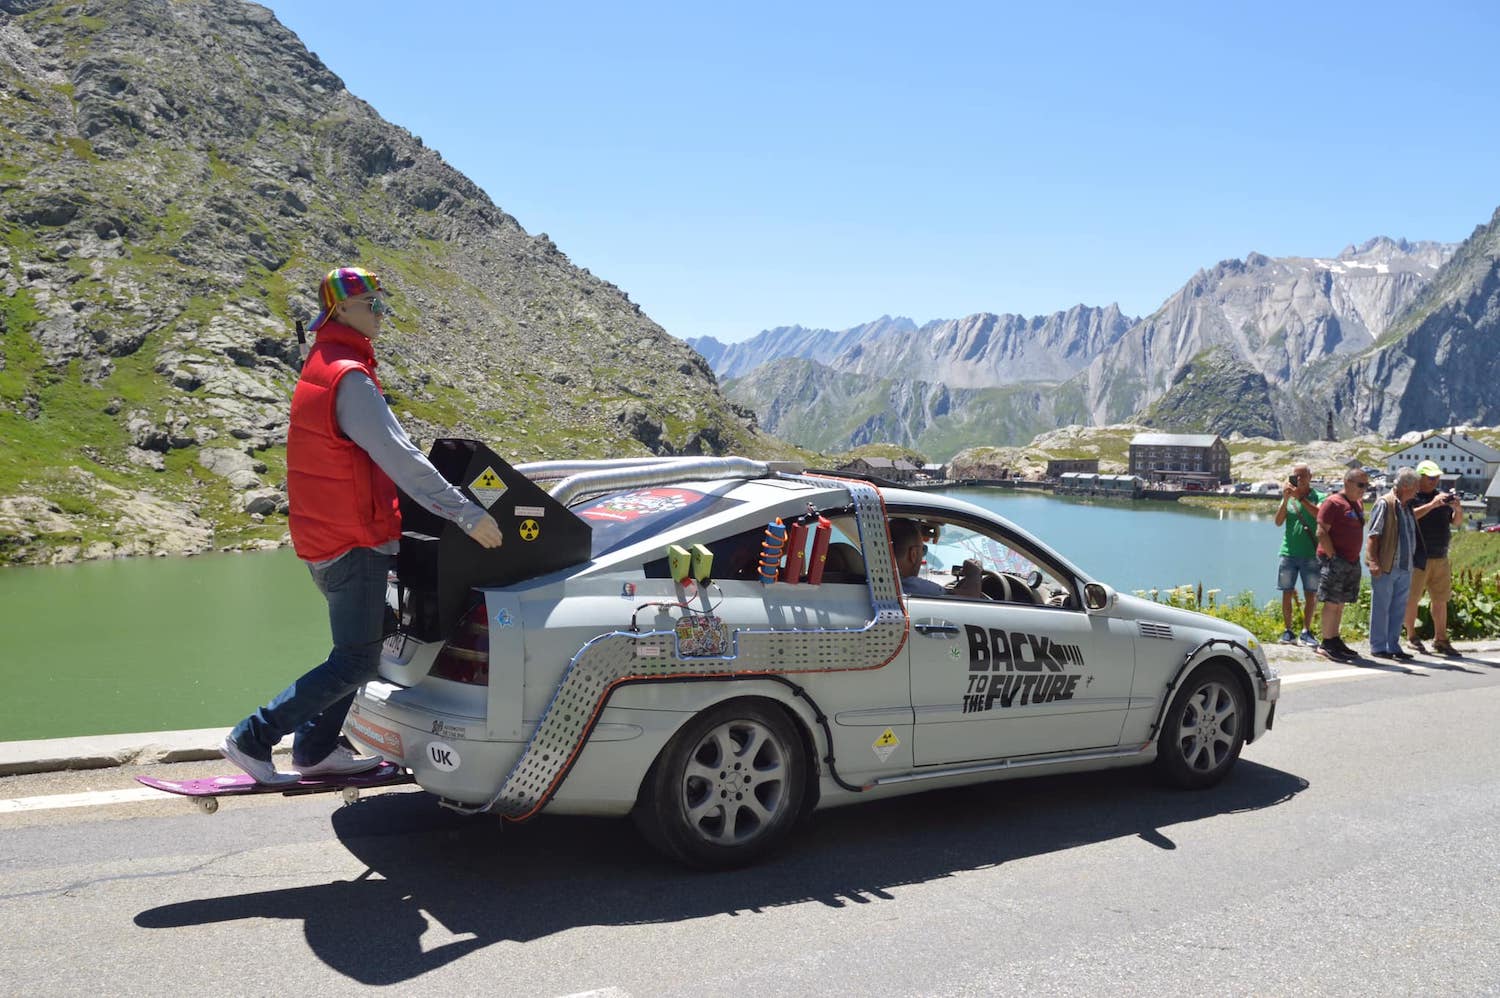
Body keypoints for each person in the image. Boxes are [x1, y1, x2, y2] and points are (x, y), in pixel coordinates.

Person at [221, 267, 504, 785]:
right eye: (372, 303)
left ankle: (315, 749)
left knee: (366, 645)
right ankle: (253, 737)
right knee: (355, 660)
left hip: (327, 536)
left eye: (381, 303)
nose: (381, 313)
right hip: (353, 540)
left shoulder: (322, 365)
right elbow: (400, 457)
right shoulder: (348, 377)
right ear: (341, 310)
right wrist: (466, 514)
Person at [1403, 459, 1464, 656]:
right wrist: (1431, 505)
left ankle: (1441, 638)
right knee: (1412, 598)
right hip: (1418, 556)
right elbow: (1409, 516)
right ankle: (1411, 636)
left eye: (1436, 477)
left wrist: (1457, 508)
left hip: (1440, 555)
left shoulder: (1442, 497)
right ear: (1419, 478)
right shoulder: (1412, 497)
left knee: (1440, 599)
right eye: (1430, 477)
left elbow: (1456, 523)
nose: (1434, 481)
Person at [1313, 468, 1369, 663]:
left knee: (1340, 601)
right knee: (1331, 601)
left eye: (1366, 485)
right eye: (1360, 485)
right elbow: (1321, 532)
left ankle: (1334, 639)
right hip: (1335, 560)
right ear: (1347, 483)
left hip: (1351, 560)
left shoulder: (1357, 503)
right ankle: (1326, 643)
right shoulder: (1333, 502)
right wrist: (1333, 557)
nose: (1364, 489)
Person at [1365, 467, 1418, 659]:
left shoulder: (1407, 506)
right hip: (1387, 565)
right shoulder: (1385, 503)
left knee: (1398, 608)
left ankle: (1393, 646)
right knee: (1381, 607)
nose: (1417, 491)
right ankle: (1378, 646)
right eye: (1415, 487)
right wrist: (1373, 562)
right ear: (1405, 487)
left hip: (1405, 566)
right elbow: (1373, 535)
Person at [1273, 463, 1322, 647]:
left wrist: (1300, 498)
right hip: (1289, 553)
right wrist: (1286, 499)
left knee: (1311, 593)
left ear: (1310, 477)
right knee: (1286, 592)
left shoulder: (1319, 496)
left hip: (1311, 554)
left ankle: (1306, 631)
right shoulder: (1288, 497)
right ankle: (1288, 631)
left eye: (1303, 475)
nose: (1299, 479)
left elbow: (1320, 515)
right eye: (1296, 476)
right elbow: (1278, 522)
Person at [889, 518, 982, 597]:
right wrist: (974, 574)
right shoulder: (912, 586)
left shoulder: (887, 585)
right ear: (913, 554)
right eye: (923, 549)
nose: (922, 556)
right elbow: (971, 596)